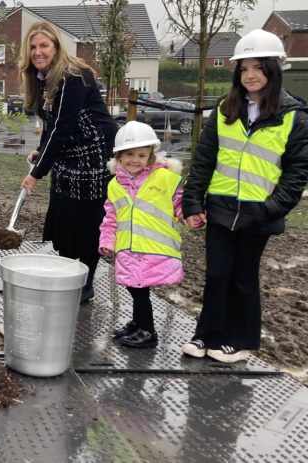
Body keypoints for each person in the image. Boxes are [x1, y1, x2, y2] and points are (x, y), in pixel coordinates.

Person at [182, 29, 308, 363]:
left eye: (258, 67)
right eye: (244, 68)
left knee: (243, 278)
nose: (250, 75)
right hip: (221, 208)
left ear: (273, 69)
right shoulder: (225, 109)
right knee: (216, 274)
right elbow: (204, 159)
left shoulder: (293, 116)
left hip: (259, 212)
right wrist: (193, 202)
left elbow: (297, 173)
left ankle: (240, 341)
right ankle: (205, 335)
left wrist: (273, 208)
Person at [18, 20, 117, 303]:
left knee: (86, 221)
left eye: (44, 45)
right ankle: (67, 272)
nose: (38, 52)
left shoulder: (75, 76)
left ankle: (84, 284)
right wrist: (41, 150)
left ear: (56, 47)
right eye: (34, 47)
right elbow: (51, 126)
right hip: (67, 156)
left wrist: (37, 172)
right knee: (63, 217)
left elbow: (62, 126)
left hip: (94, 155)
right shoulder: (40, 79)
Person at [99, 121, 184, 348]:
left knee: (140, 289)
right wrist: (108, 240)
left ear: (151, 156)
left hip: (153, 247)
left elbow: (180, 203)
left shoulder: (165, 179)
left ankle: (148, 331)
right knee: (134, 286)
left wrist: (191, 216)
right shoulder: (115, 184)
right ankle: (138, 323)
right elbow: (111, 217)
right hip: (128, 247)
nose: (134, 160)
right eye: (128, 154)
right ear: (118, 156)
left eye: (141, 155)